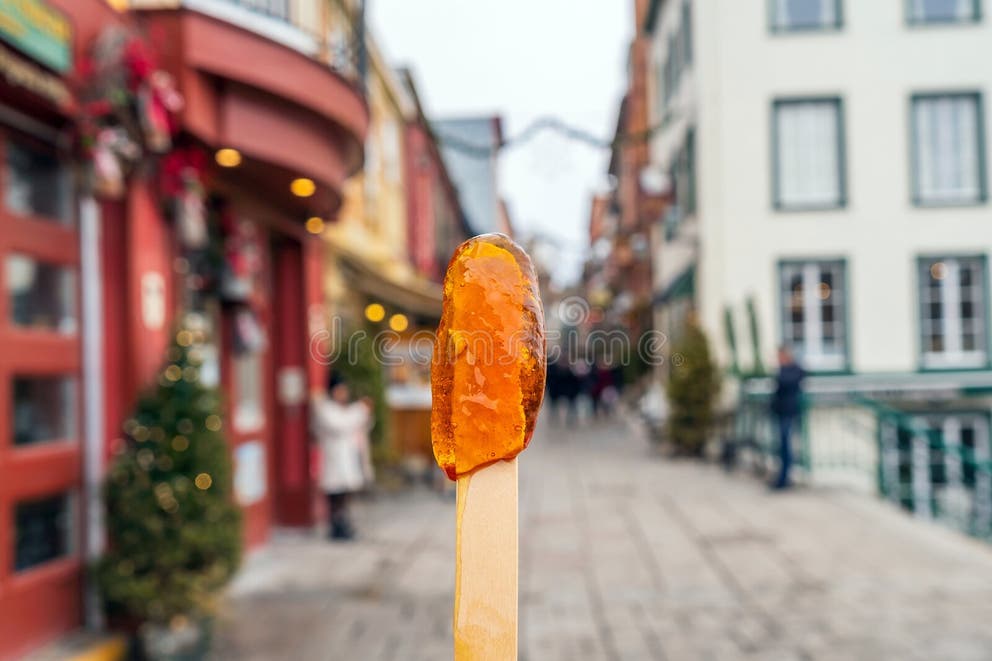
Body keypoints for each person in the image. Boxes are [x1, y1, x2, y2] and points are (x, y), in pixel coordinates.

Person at [311, 373, 374, 540]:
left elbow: (361, 424)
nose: (343, 394)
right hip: (333, 459)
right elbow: (341, 425)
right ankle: (336, 526)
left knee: (345, 494)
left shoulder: (344, 409)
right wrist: (360, 410)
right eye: (340, 390)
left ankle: (344, 524)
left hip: (347, 459)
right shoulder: (326, 409)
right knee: (335, 494)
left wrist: (362, 412)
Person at [770, 345, 805, 490]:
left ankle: (785, 478)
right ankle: (782, 477)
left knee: (786, 446)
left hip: (788, 412)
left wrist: (781, 369)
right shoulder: (786, 370)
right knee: (782, 447)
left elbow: (784, 382)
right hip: (781, 412)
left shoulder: (794, 370)